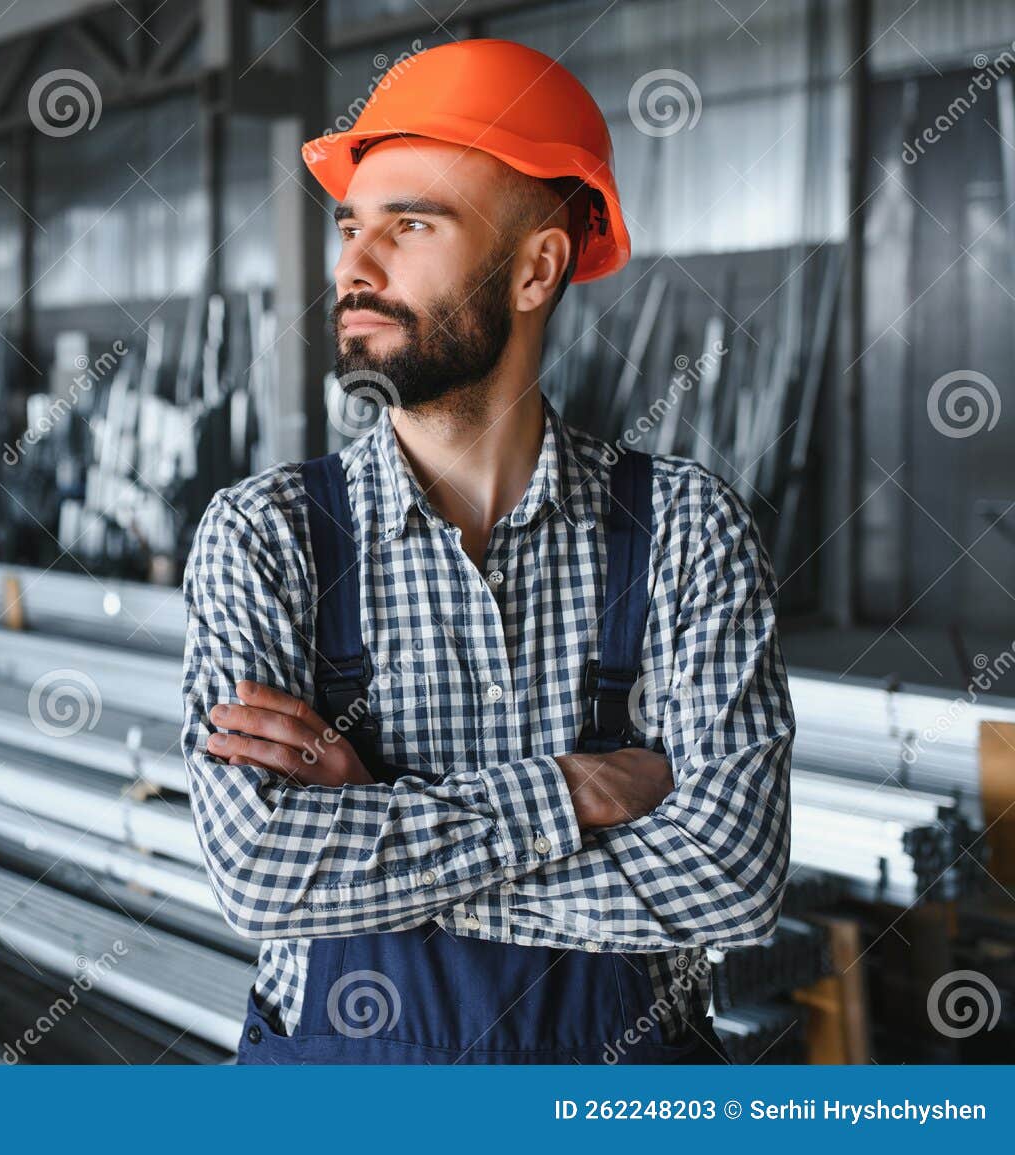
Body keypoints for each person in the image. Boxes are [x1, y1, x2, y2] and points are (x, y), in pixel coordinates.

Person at [179, 39, 793, 1064]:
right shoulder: (266, 537)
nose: (353, 268)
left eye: (409, 226)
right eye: (350, 227)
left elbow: (730, 880)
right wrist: (578, 791)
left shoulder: (687, 531)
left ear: (536, 268)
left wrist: (376, 840)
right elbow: (261, 876)